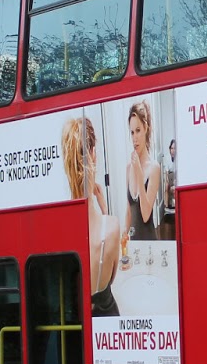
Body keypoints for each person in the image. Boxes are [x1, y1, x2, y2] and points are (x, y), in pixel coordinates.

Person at [62, 116, 120, 317]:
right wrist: (105, 212)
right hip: (108, 328)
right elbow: (111, 279)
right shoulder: (112, 227)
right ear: (94, 154)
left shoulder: (59, 231)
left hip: (75, 331)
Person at [125, 100, 162, 241]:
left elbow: (146, 214)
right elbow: (129, 210)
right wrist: (124, 232)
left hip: (149, 243)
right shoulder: (129, 167)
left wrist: (140, 175)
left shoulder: (154, 168)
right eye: (132, 132)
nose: (135, 138)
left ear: (146, 128)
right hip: (133, 246)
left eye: (138, 131)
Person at [159, 138, 177, 240]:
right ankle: (167, 207)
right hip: (170, 180)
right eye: (171, 148)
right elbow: (166, 175)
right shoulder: (167, 160)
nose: (173, 150)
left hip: (176, 180)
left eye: (174, 148)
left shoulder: (179, 160)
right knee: (166, 185)